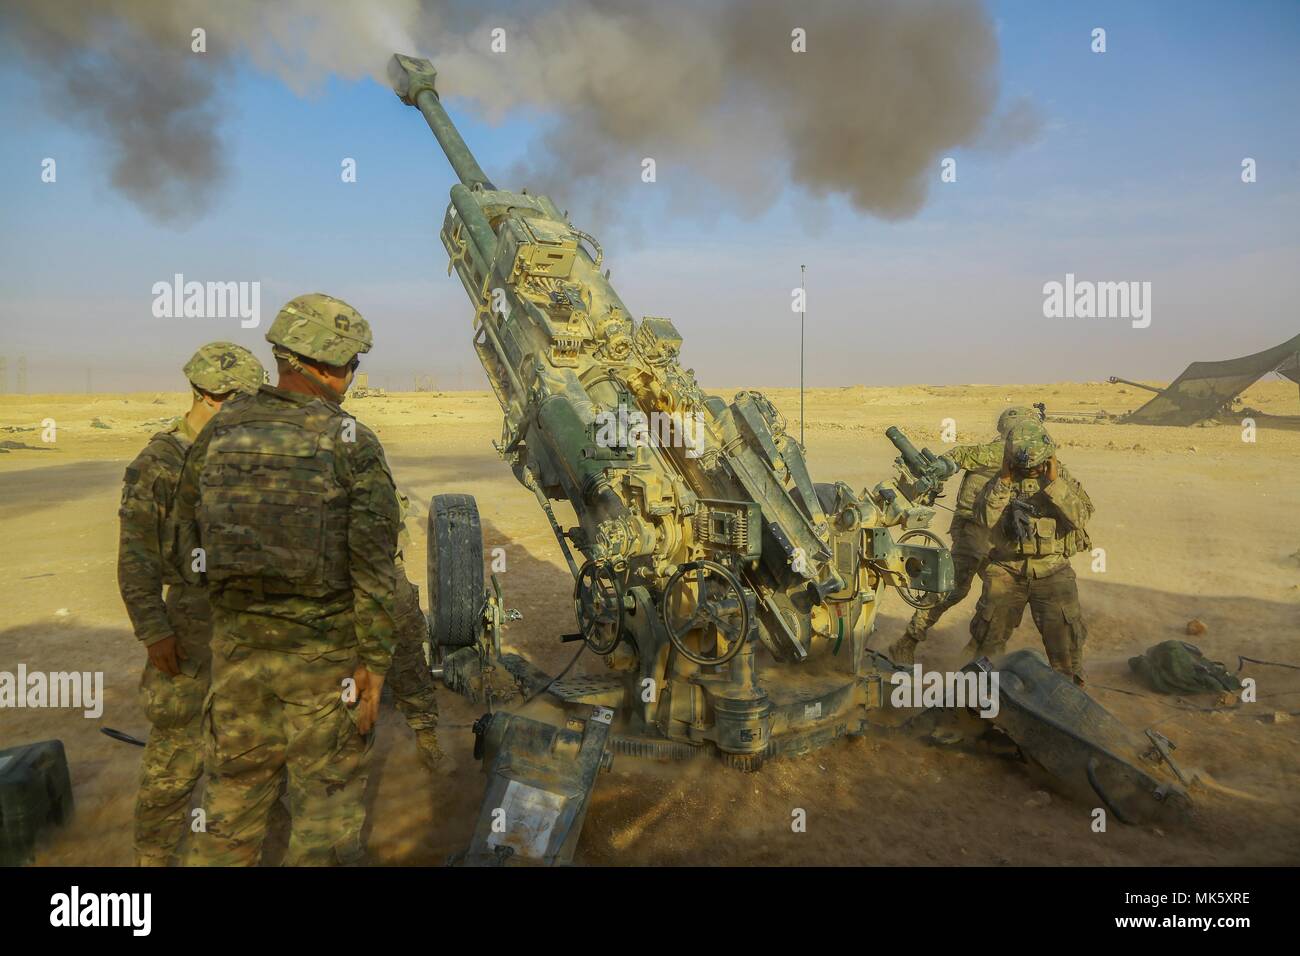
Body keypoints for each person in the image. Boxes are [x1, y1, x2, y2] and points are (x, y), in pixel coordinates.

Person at [176, 293, 401, 866]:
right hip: (323, 675)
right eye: (351, 362)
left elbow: (184, 545)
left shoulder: (218, 432)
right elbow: (376, 573)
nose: (352, 375)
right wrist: (373, 672)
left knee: (226, 820)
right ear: (326, 365)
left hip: (237, 667)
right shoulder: (352, 443)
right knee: (323, 831)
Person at [117, 342, 264, 866]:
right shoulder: (159, 463)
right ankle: (152, 859)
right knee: (174, 758)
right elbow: (135, 558)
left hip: (247, 625)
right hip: (189, 624)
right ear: (211, 396)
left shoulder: (243, 453)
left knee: (251, 751)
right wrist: (153, 631)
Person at [887, 406, 1038, 666]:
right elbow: (962, 454)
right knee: (953, 588)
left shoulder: (1028, 453)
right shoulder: (1001, 450)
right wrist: (943, 466)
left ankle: (977, 651)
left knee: (1001, 595)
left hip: (1003, 536)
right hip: (975, 531)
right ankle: (908, 640)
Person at [969, 419, 1092, 684]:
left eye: (1037, 464)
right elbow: (982, 518)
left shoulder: (1061, 479)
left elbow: (1080, 517)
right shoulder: (1001, 480)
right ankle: (979, 695)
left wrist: (1054, 485)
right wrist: (1003, 482)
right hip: (1006, 570)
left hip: (1052, 571)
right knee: (988, 640)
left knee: (1066, 651)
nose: (1032, 470)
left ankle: (1070, 697)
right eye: (1026, 465)